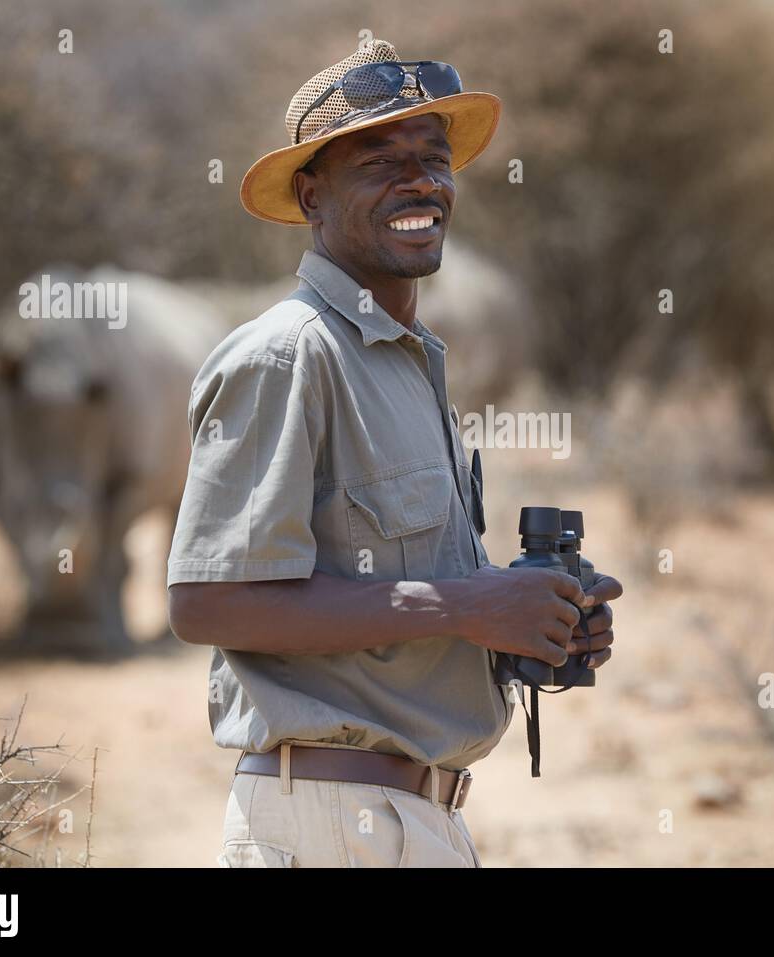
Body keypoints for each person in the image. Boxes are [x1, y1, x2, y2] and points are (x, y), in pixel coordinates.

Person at [166, 38, 622, 868]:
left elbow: (396, 598)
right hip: (335, 824)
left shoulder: (410, 360)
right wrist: (463, 606)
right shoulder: (286, 355)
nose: (419, 181)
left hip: (418, 817)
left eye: (433, 159)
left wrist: (537, 621)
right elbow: (209, 602)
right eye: (380, 161)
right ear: (312, 194)